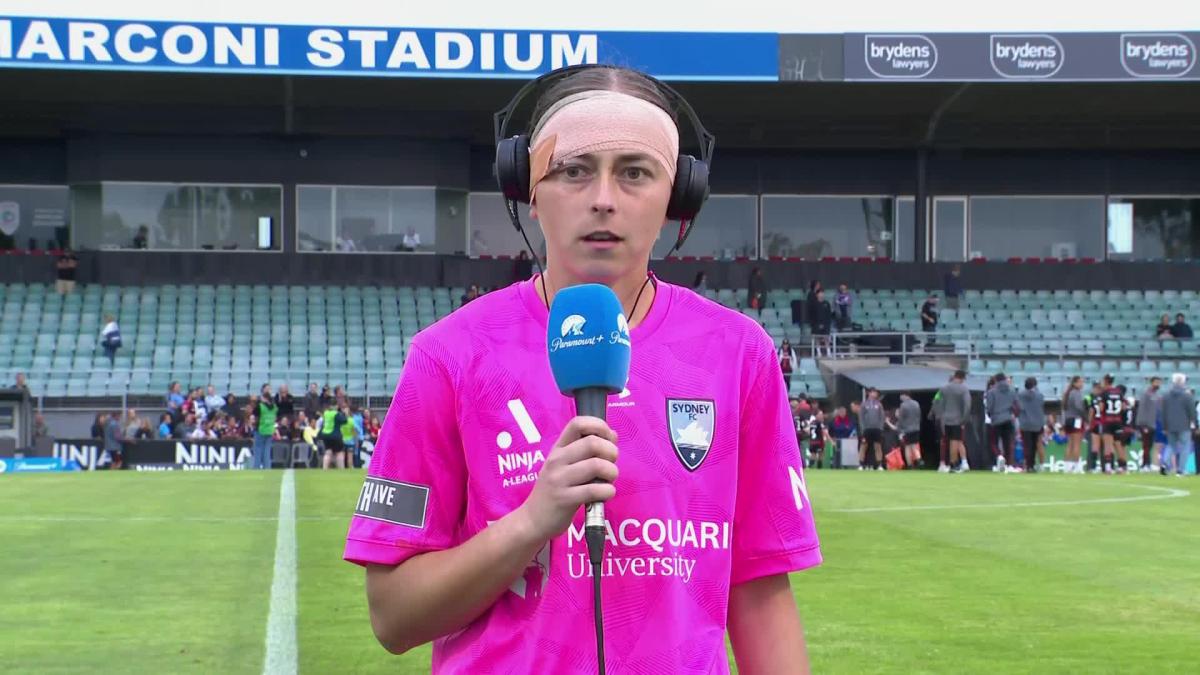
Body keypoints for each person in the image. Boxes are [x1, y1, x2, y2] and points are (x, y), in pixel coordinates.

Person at [346, 65, 821, 672]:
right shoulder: (450, 355)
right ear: (528, 190)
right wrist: (529, 526)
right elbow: (394, 618)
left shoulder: (738, 352)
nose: (603, 197)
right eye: (573, 170)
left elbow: (759, 592)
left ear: (677, 196)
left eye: (634, 172)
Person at [1160, 373, 1196, 476]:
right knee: (1185, 447)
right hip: (1184, 425)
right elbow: (1191, 411)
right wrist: (1194, 422)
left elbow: (1163, 412)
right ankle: (1181, 469)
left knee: (1171, 445)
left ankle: (1165, 463)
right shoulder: (1187, 396)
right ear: (1183, 382)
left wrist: (1164, 426)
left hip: (1170, 424)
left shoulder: (1166, 396)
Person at [937, 370, 972, 473]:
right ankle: (954, 464)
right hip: (957, 419)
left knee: (948, 441)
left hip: (946, 419)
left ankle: (951, 464)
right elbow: (967, 405)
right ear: (962, 378)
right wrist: (964, 419)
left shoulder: (944, 388)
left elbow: (938, 402)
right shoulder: (964, 389)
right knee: (955, 441)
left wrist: (941, 417)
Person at [985, 373, 1018, 472]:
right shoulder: (1012, 391)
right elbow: (1016, 405)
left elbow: (989, 407)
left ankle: (999, 456)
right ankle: (1010, 465)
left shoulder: (991, 392)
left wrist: (991, 415)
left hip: (996, 419)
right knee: (1008, 443)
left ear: (996, 380)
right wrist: (1013, 415)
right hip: (1008, 419)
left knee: (994, 442)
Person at [1017, 378, 1045, 473]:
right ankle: (1032, 465)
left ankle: (1028, 465)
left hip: (1025, 423)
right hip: (1037, 423)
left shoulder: (1021, 395)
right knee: (1034, 445)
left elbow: (1019, 407)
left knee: (1027, 445)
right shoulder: (1039, 395)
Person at [1098, 375, 1125, 474]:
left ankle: (1108, 467)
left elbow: (1101, 408)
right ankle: (1122, 467)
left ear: (1105, 381)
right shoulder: (1119, 392)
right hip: (1117, 421)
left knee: (1108, 445)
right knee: (1118, 445)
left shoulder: (1104, 393)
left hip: (1107, 421)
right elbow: (1123, 407)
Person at [1061, 376, 1087, 474]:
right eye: (1080, 382)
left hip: (1069, 420)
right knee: (1077, 444)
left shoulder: (1068, 393)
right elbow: (1078, 407)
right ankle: (1076, 467)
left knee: (1070, 444)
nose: (1082, 384)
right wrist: (1085, 416)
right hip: (1076, 420)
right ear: (1075, 383)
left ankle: (1067, 467)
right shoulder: (1076, 393)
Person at [1136, 377, 1162, 472]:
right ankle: (1144, 465)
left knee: (1149, 445)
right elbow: (1142, 410)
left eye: (1159, 382)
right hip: (1146, 424)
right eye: (1156, 382)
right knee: (1146, 445)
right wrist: (1142, 424)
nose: (1158, 384)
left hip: (1153, 424)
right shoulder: (1146, 394)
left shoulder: (1156, 396)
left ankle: (1147, 463)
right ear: (1151, 383)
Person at [858, 388, 885, 471]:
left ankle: (879, 465)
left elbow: (882, 417)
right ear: (869, 393)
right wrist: (863, 428)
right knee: (863, 446)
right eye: (873, 392)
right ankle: (861, 465)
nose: (875, 394)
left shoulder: (879, 404)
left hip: (877, 429)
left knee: (878, 446)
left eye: (876, 393)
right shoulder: (864, 404)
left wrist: (880, 427)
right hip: (867, 429)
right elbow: (861, 417)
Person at [252, 384, 278, 469]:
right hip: (270, 430)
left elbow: (254, 415)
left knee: (258, 450)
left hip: (260, 429)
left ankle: (256, 468)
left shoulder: (260, 406)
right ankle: (267, 468)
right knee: (267, 451)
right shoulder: (274, 407)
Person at [897, 392, 922, 469]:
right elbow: (919, 415)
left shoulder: (903, 405)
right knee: (914, 444)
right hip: (916, 427)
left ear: (905, 395)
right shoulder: (916, 403)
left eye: (901, 396)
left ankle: (910, 464)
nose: (900, 398)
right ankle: (918, 458)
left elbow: (901, 418)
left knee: (908, 446)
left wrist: (899, 429)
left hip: (907, 429)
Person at [808, 289, 833, 356]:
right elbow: (811, 315)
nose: (822, 295)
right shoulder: (813, 304)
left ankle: (828, 352)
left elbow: (829, 315)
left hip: (826, 324)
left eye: (822, 293)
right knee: (817, 338)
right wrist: (815, 324)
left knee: (826, 338)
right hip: (816, 324)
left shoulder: (826, 303)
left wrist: (826, 324)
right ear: (817, 295)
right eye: (820, 293)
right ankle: (819, 352)